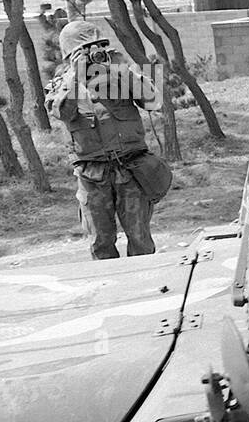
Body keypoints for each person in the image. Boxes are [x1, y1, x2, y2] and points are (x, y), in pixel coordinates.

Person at [48, 20, 163, 261]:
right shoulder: (63, 84)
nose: (94, 56)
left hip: (131, 170)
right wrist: (75, 79)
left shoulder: (119, 74)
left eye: (98, 47)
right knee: (101, 244)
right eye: (86, 51)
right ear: (70, 56)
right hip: (92, 175)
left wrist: (122, 72)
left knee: (140, 239)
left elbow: (154, 102)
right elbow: (63, 113)